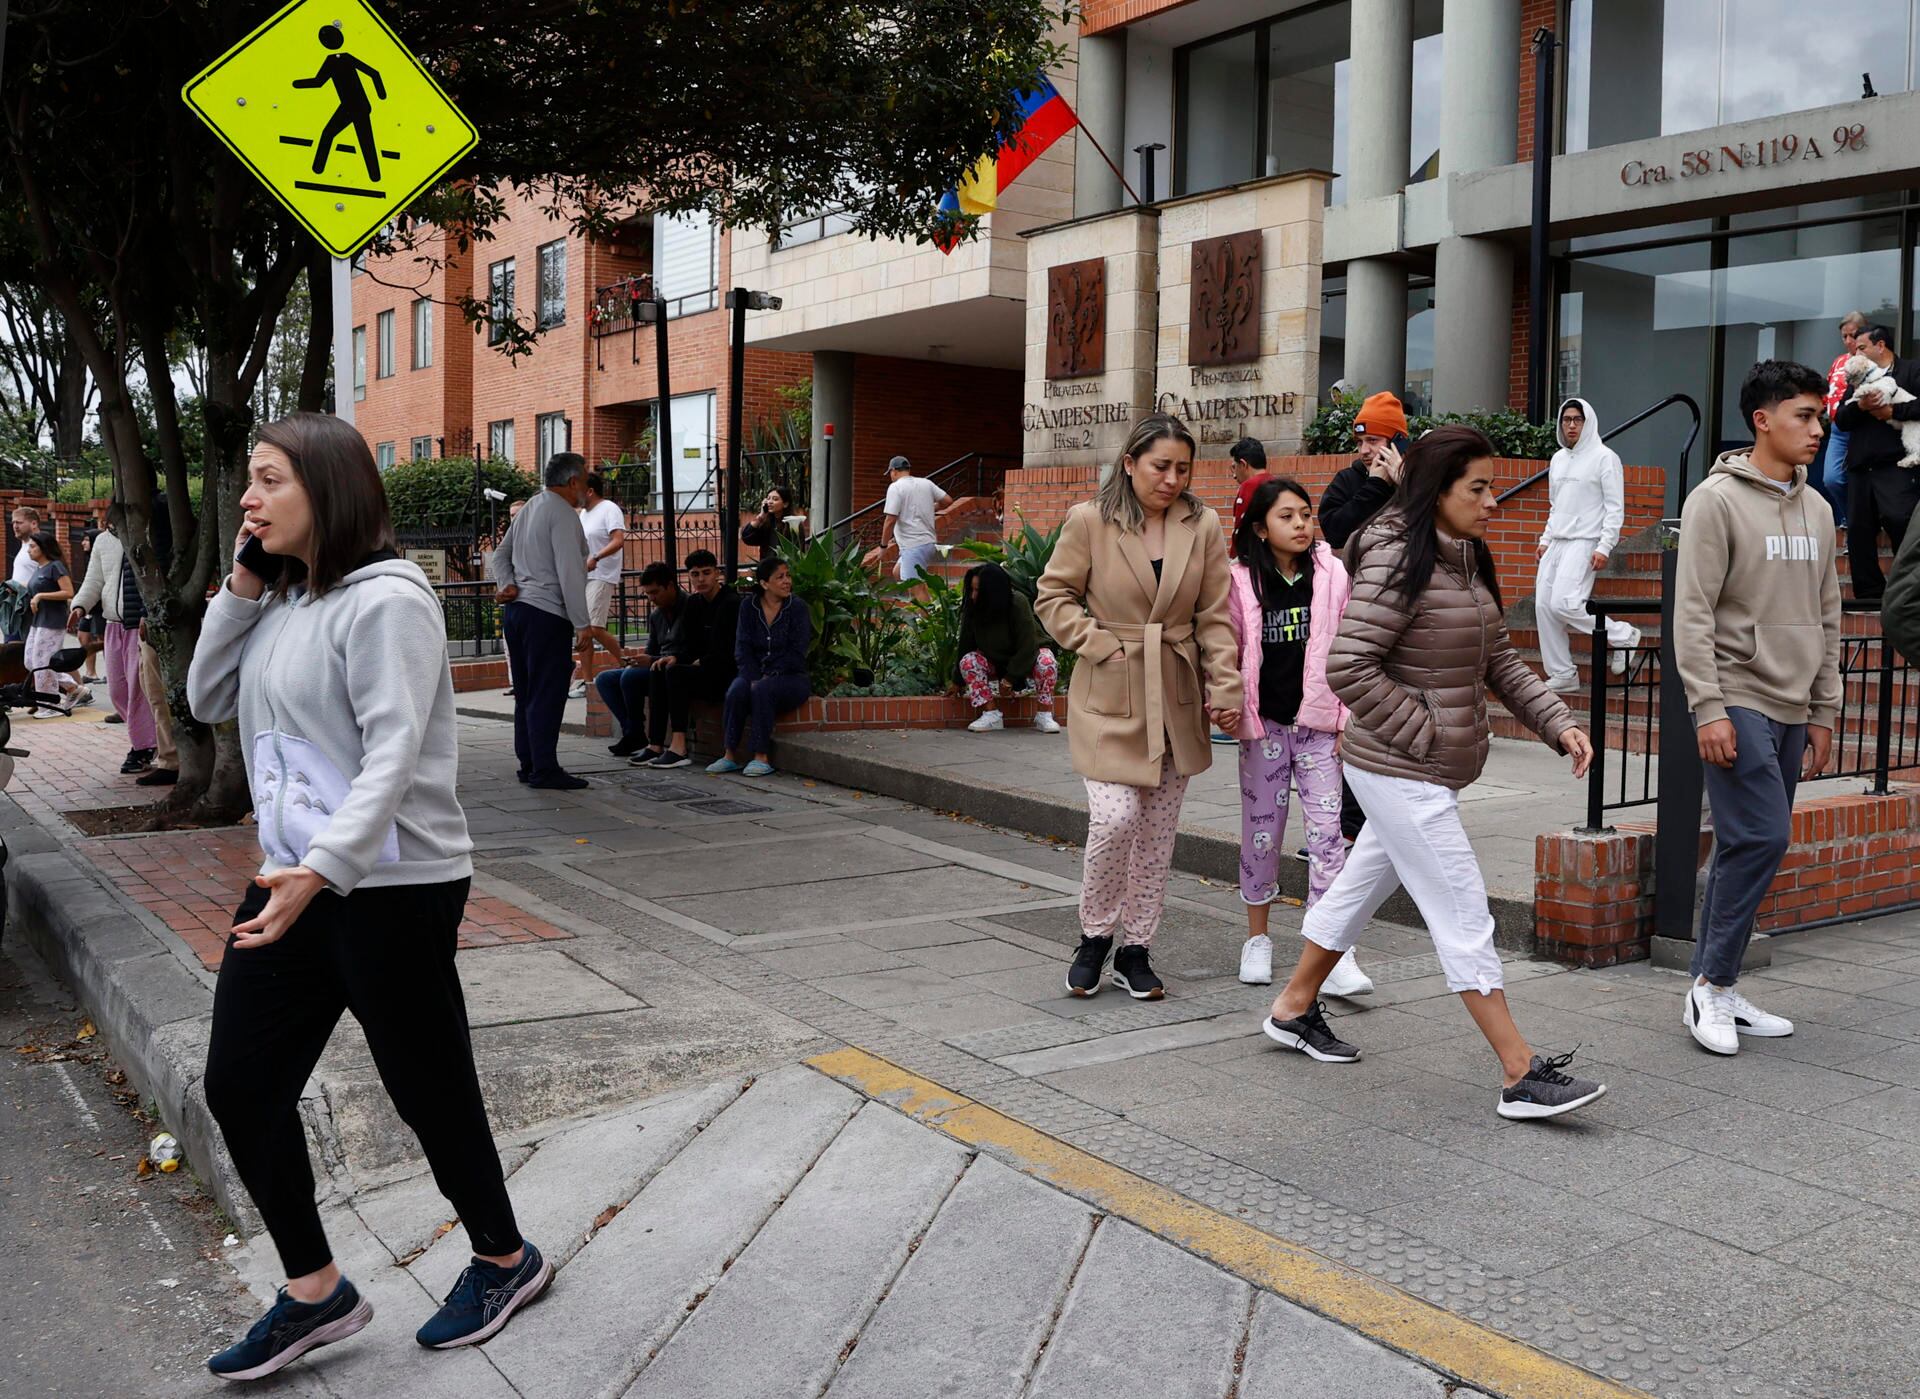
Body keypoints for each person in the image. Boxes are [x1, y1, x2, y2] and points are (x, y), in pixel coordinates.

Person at [188, 413, 548, 1380]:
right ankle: (316, 1289)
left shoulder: (389, 601)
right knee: (240, 1083)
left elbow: (395, 750)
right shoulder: (283, 600)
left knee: (426, 1083)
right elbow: (207, 698)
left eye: (270, 480)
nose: (249, 499)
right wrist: (242, 585)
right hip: (292, 878)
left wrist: (326, 866)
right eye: (250, 480)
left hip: (394, 884)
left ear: (329, 489)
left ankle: (505, 1259)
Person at [1261, 425, 1608, 1122]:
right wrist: (1427, 730)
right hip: (1401, 766)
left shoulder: (1463, 552)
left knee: (1359, 886)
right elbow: (1348, 666)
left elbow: (1498, 658)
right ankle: (1519, 1072)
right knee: (1461, 907)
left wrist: (1557, 721)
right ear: (1435, 490)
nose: (1493, 503)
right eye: (1478, 489)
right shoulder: (1398, 555)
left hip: (1419, 764)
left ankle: (1292, 1007)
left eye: (1491, 488)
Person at [1036, 413, 1242, 1002]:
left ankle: (1136, 950)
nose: (1172, 480)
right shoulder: (1089, 519)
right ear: (1129, 463)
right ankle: (1094, 936)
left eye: (1183, 469)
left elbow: (1214, 616)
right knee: (1115, 818)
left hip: (1174, 693)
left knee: (1156, 834)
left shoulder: (1202, 524)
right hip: (1111, 691)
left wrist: (1225, 686)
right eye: (1160, 466)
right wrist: (1099, 644)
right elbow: (1053, 596)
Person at [1674, 361, 1840, 1056]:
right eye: (1804, 415)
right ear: (1762, 420)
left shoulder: (1819, 508)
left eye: (1819, 415)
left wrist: (1825, 709)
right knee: (1764, 837)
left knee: (1746, 843)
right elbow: (1692, 611)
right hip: (1737, 691)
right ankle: (1710, 984)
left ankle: (1716, 981)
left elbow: (1828, 614)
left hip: (1795, 701)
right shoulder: (1714, 501)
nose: (1817, 428)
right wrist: (1707, 706)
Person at [1224, 476, 1372, 995]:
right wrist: (1225, 705)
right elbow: (1226, 649)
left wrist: (1347, 718)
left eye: (1306, 515)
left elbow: (1353, 647)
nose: (1301, 525)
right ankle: (1257, 939)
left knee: (1329, 839)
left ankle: (1333, 951)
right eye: (1286, 516)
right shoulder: (1240, 580)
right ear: (1260, 528)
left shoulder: (1333, 573)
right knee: (1261, 836)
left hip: (1320, 728)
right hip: (1264, 728)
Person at [489, 453, 591, 790]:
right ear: (572, 481)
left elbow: (500, 554)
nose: (587, 487)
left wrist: (507, 583)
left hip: (518, 612)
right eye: (585, 480)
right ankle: (544, 768)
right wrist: (582, 623)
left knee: (526, 693)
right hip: (546, 613)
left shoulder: (530, 507)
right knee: (547, 693)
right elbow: (570, 571)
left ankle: (529, 763)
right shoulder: (563, 514)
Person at [1535, 398, 1641, 692]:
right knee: (1544, 606)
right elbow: (1556, 505)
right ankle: (1563, 673)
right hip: (1557, 542)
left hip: (1584, 541)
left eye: (1577, 420)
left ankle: (1623, 635)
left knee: (1564, 603)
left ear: (1588, 421)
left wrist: (1605, 546)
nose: (1571, 425)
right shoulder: (1558, 459)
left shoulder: (1605, 458)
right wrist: (1545, 539)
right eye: (1566, 419)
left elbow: (1614, 508)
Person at [1834, 325, 1920, 600]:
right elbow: (1841, 419)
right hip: (1861, 467)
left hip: (1897, 465)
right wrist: (1861, 406)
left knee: (1901, 522)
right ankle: (1868, 595)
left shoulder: (1910, 371)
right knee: (1859, 532)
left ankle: (1909, 593)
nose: (1856, 353)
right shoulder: (1858, 379)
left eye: (1862, 347)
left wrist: (1893, 411)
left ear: (1880, 345)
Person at [707, 555, 811, 777]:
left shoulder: (797, 607)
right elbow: (742, 647)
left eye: (788, 576)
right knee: (737, 690)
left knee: (763, 689)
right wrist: (753, 676)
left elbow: (797, 651)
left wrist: (769, 675)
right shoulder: (749, 606)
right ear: (764, 583)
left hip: (791, 676)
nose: (787, 581)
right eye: (780, 577)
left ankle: (760, 756)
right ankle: (729, 755)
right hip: (755, 673)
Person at [70, 515, 158, 773]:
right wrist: (80, 605)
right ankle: (146, 738)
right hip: (112, 624)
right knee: (118, 691)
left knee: (138, 689)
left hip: (137, 625)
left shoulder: (146, 534)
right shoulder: (103, 541)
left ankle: (143, 746)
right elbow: (94, 580)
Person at [594, 562, 694, 767]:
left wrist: (652, 660)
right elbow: (651, 649)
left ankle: (637, 734)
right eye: (647, 593)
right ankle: (633, 731)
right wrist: (639, 660)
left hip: (674, 667)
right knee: (604, 679)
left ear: (670, 586)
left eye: (655, 592)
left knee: (630, 677)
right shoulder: (656, 615)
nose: (651, 598)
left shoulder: (690, 607)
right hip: (656, 665)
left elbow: (691, 649)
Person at [956, 562, 1061, 735]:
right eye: (971, 590)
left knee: (1046, 662)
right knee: (968, 662)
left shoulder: (1017, 602)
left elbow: (1028, 645)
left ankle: (1044, 714)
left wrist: (1010, 678)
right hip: (995, 660)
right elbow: (965, 643)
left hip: (1029, 656)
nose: (973, 595)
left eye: (978, 591)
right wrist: (957, 681)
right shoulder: (973, 607)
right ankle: (991, 714)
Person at [1317, 392, 1407, 549]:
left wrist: (1407, 484)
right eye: (1359, 442)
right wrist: (1374, 487)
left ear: (1398, 443)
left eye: (1372, 440)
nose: (1364, 450)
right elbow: (1333, 534)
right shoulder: (1346, 479)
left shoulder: (1421, 477)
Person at [571, 474, 626, 698]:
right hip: (583, 576)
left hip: (602, 574)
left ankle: (626, 662)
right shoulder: (583, 514)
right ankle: (587, 682)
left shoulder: (609, 509)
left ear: (590, 491)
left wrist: (596, 557)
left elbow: (618, 540)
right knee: (583, 629)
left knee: (594, 627)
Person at [22, 532, 87, 715]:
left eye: (33, 546)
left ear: (44, 548)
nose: (29, 550)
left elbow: (68, 592)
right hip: (38, 621)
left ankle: (50, 706)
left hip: (52, 622)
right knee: (31, 661)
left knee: (42, 663)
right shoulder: (39, 568)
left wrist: (40, 596)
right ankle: (73, 687)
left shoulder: (55, 566)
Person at [1820, 311, 1866, 526]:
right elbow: (1827, 391)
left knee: (1861, 479)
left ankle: (1860, 522)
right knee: (1832, 478)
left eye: (1853, 335)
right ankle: (1852, 517)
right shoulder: (1839, 361)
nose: (1848, 341)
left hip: (1862, 427)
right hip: (1838, 428)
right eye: (1844, 337)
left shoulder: (1873, 361)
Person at [877, 456, 950, 582]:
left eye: (890, 473)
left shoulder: (895, 487)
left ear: (894, 471)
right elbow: (947, 500)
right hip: (928, 543)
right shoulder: (926, 483)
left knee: (915, 586)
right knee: (898, 572)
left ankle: (921, 595)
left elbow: (890, 520)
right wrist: (931, 507)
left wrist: (883, 547)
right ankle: (918, 594)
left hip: (913, 546)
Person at [1226, 435, 1271, 553]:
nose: (1234, 475)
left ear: (1243, 464)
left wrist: (1234, 557)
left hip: (1253, 555)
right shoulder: (1279, 484)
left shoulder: (1248, 486)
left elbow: (1240, 530)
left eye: (1234, 467)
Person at [7, 506, 41, 644]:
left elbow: (49, 578)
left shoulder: (41, 546)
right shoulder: (24, 545)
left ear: (34, 523)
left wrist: (18, 586)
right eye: (13, 523)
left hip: (31, 609)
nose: (15, 526)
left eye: (19, 522)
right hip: (17, 608)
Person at [740, 484, 805, 553]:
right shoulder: (766, 522)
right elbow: (747, 538)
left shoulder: (793, 523)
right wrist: (761, 515)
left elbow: (797, 551)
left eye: (775, 499)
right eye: (768, 498)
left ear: (785, 504)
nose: (770, 502)